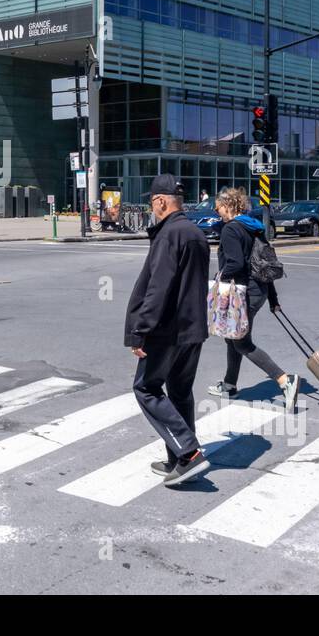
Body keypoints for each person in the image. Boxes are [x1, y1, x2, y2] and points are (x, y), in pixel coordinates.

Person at [124, 174, 212, 487]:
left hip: (166, 330)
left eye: (152, 202)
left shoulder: (169, 234)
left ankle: (188, 453)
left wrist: (140, 330)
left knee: (146, 388)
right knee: (179, 392)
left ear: (161, 201)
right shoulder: (195, 232)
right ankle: (179, 457)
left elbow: (157, 288)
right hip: (193, 328)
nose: (152, 207)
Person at [207, 187, 301, 412]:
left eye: (218, 207)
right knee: (232, 335)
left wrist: (218, 280)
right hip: (258, 290)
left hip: (243, 292)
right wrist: (272, 298)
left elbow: (236, 264)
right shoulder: (254, 227)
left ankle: (283, 379)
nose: (217, 211)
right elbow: (263, 263)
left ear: (228, 206)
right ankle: (229, 385)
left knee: (241, 341)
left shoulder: (231, 229)